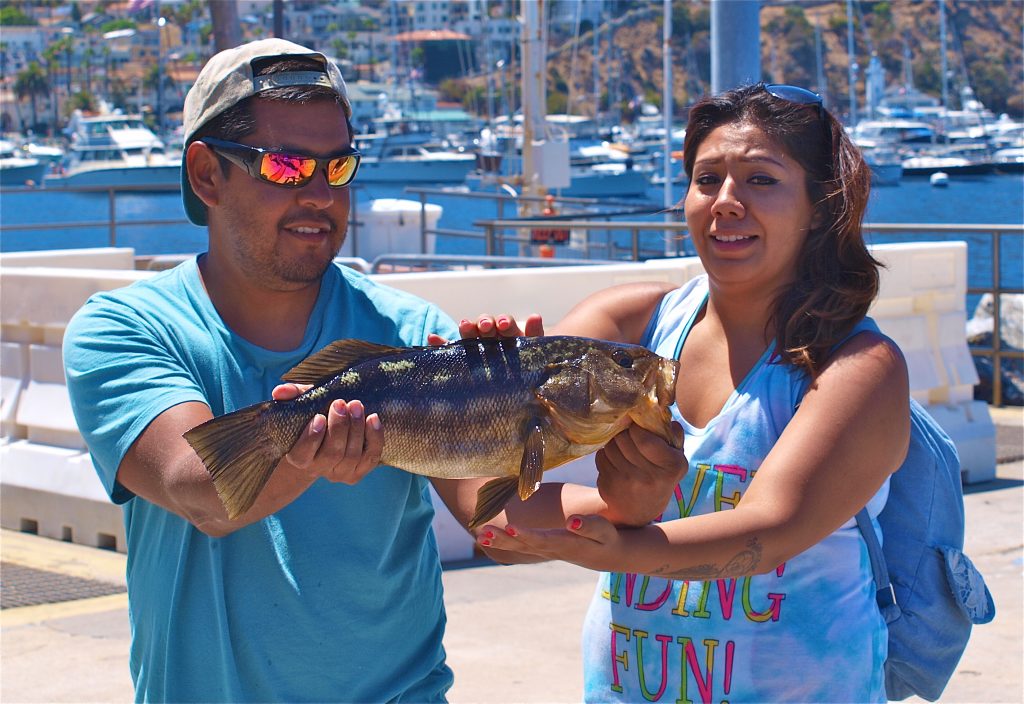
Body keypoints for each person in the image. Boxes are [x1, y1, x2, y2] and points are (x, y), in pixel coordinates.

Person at [62, 38, 684, 702]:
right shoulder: (123, 331)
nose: (319, 195)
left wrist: (626, 501)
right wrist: (306, 451)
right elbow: (203, 493)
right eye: (286, 166)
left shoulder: (411, 331)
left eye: (337, 168)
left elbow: (496, 522)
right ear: (207, 174)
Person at [468, 83, 911, 702]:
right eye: (707, 180)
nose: (725, 202)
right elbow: (491, 498)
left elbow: (767, 531)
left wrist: (616, 541)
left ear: (819, 206)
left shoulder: (857, 366)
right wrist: (472, 397)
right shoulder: (631, 323)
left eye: (761, 180)